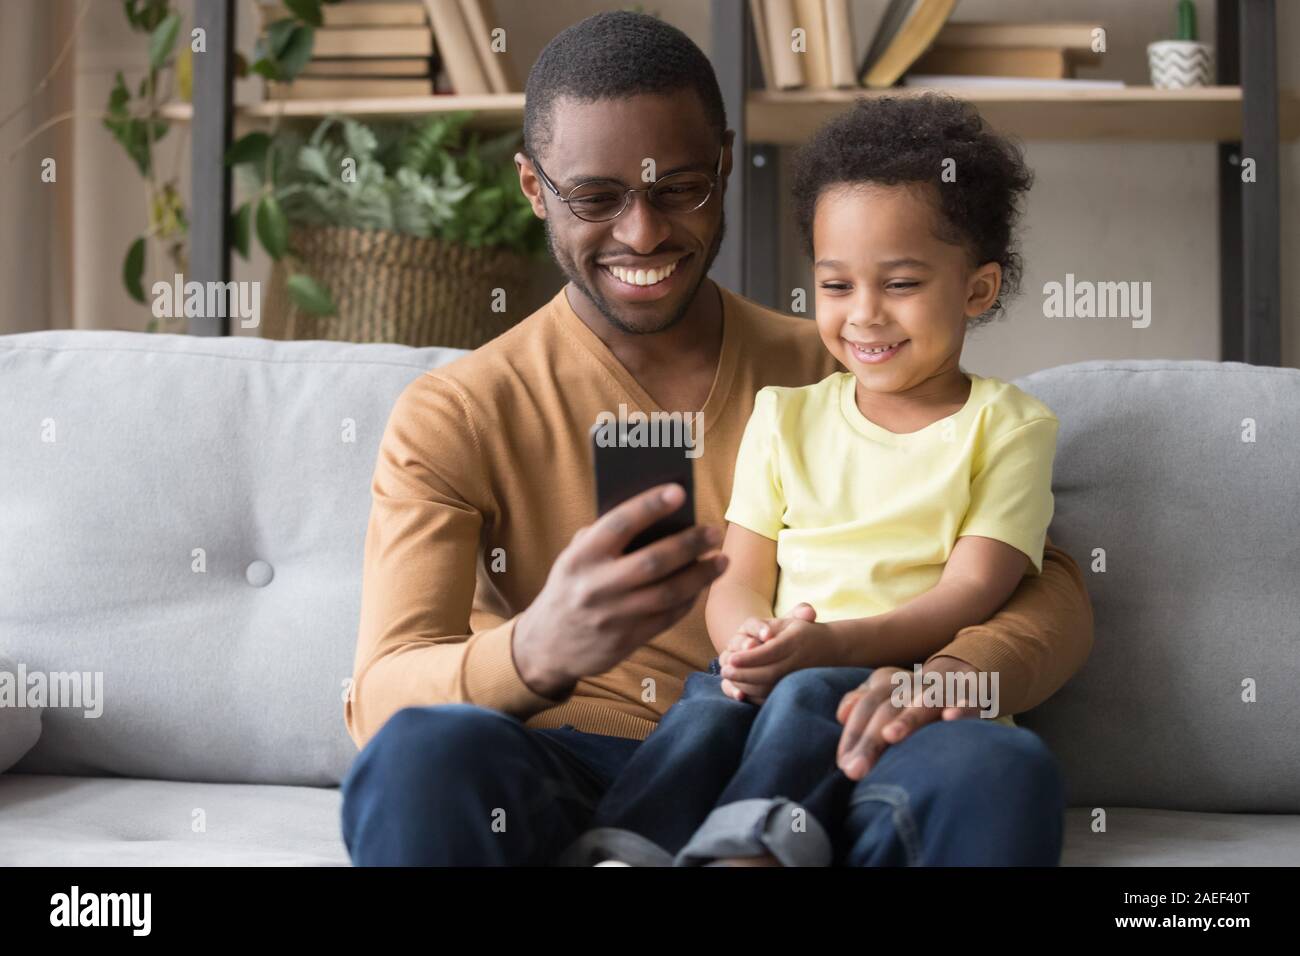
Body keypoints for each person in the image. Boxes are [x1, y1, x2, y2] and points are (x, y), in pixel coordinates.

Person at [339, 11, 1093, 866]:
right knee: (420, 758)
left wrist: (945, 679)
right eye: (594, 197)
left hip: (829, 751)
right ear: (532, 187)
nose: (643, 233)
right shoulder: (458, 412)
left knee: (998, 769)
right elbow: (383, 694)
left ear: (726, 164)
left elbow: (1048, 590)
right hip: (584, 765)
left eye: (679, 189)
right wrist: (535, 648)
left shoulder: (850, 367)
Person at [566, 94, 1066, 866]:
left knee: (807, 693)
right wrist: (750, 645)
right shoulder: (786, 416)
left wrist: (828, 647)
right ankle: (626, 850)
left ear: (977, 290)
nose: (863, 315)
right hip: (778, 666)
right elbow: (737, 579)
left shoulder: (1009, 427)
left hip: (891, 687)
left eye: (900, 284)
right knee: (702, 713)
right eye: (836, 286)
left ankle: (751, 851)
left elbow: (970, 594)